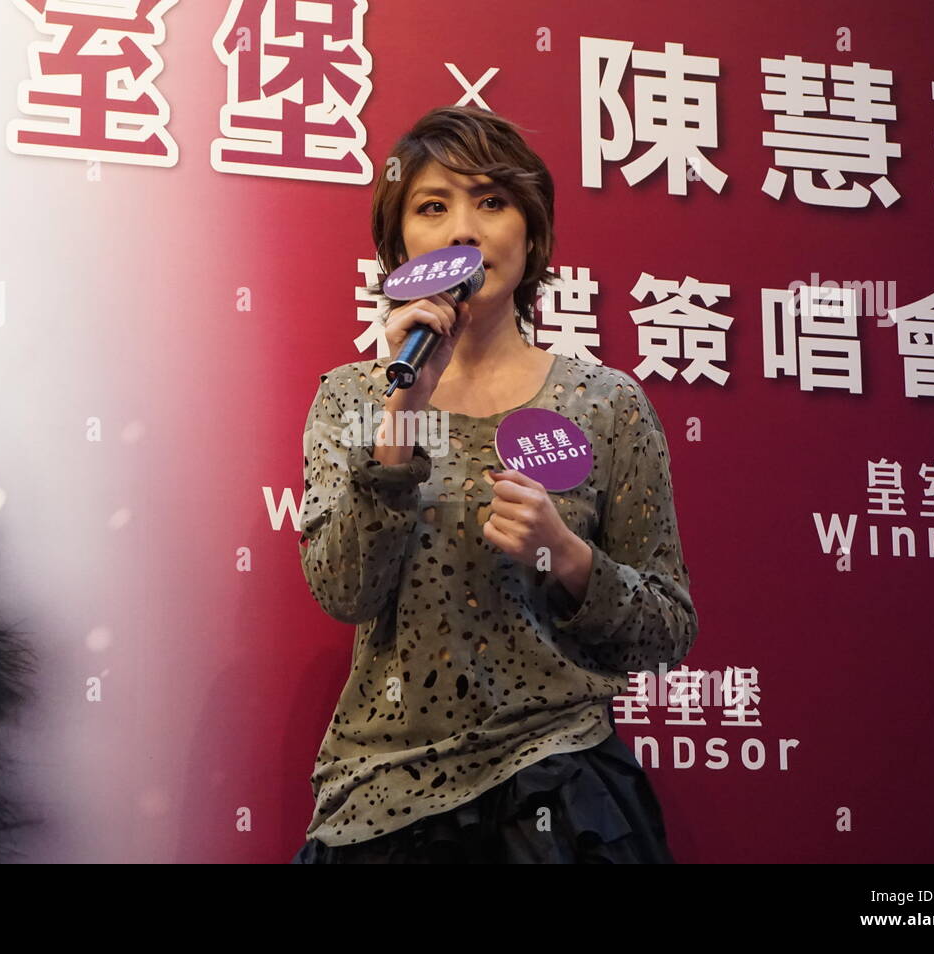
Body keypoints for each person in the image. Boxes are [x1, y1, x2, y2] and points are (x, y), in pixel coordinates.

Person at [290, 105, 698, 863]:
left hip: (559, 786)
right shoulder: (354, 398)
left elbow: (667, 629)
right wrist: (403, 409)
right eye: (433, 206)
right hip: (383, 803)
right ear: (399, 245)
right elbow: (344, 589)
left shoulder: (606, 404)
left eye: (491, 201)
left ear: (532, 233)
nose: (464, 230)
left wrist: (569, 558)